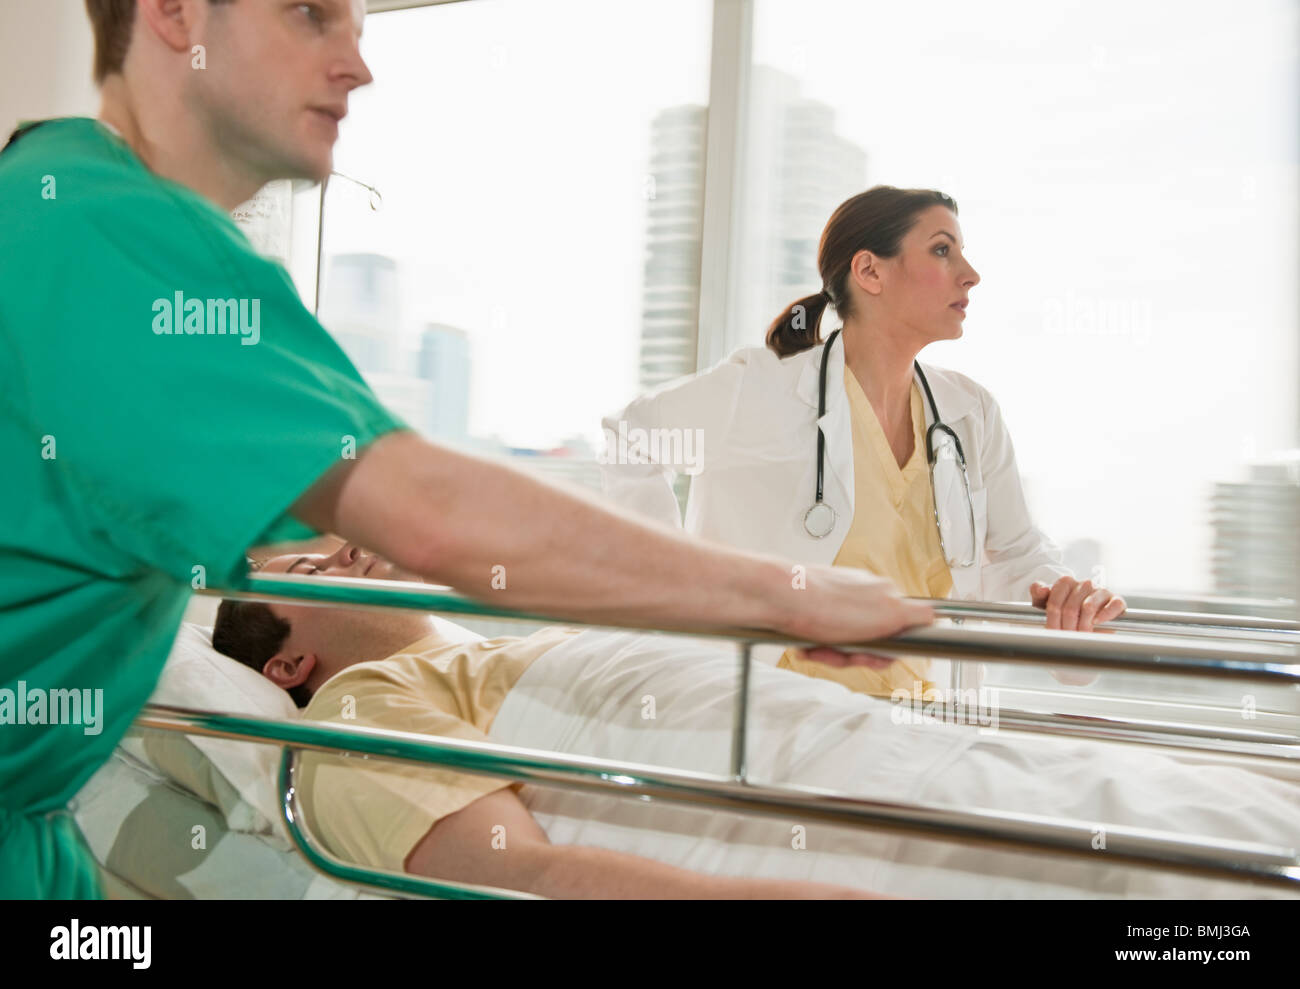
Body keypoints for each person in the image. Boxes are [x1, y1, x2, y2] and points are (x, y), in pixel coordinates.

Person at [0, 0, 930, 899]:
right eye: (307, 13)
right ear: (175, 14)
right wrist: (784, 592)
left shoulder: (79, 212)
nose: (357, 64)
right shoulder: (107, 236)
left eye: (360, 26)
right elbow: (436, 514)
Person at [213, 545, 1300, 900]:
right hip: (842, 828)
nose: (341, 548)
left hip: (882, 745)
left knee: (1189, 818)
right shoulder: (358, 717)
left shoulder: (515, 640)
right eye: (304, 567)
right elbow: (532, 869)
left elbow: (778, 681)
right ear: (291, 660)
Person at [600, 186, 1125, 697]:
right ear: (870, 271)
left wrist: (1060, 598)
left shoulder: (970, 412)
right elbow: (631, 437)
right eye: (943, 250)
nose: (971, 274)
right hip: (776, 713)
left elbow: (1016, 552)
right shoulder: (762, 386)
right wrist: (674, 585)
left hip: (923, 711)